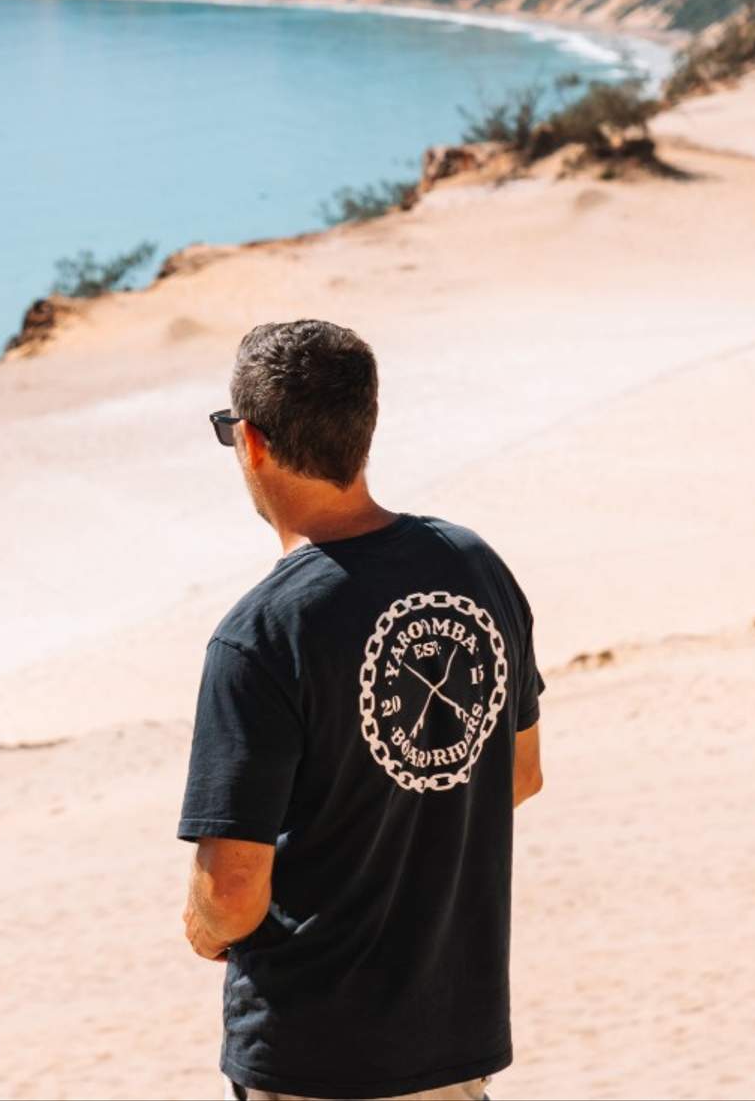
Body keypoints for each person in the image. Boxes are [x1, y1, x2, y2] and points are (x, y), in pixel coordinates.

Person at [178, 319, 545, 1101]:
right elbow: (519, 773)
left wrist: (204, 929)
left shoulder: (261, 636)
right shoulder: (474, 566)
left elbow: (232, 890)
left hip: (316, 1055)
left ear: (251, 442)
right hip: (453, 1043)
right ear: (363, 429)